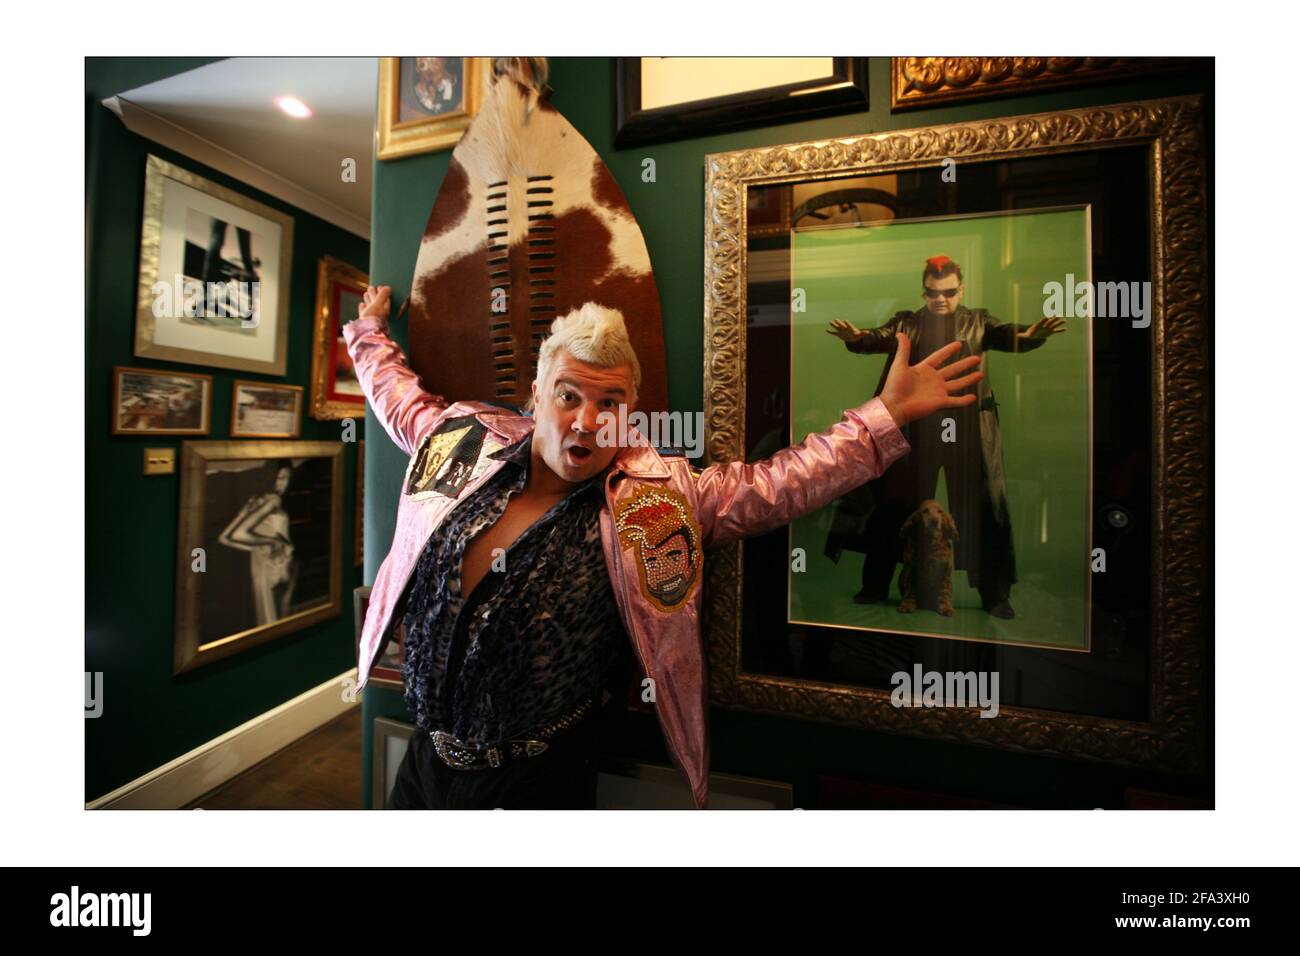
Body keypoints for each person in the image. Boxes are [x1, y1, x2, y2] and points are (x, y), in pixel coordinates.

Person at [350, 284, 982, 809]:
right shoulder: (457, 441)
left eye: (610, 402)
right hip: (423, 765)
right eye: (569, 394)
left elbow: (780, 482)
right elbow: (395, 394)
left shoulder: (655, 501)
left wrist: (886, 413)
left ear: (631, 413)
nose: (586, 420)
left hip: (541, 784)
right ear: (537, 395)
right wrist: (371, 328)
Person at [825, 255, 1066, 619]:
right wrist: (856, 338)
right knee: (894, 504)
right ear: (924, 292)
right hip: (915, 429)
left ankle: (994, 595)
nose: (942, 299)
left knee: (983, 508)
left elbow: (1006, 334)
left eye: (950, 292)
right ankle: (874, 586)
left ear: (961, 290)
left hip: (968, 429)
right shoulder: (908, 321)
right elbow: (878, 337)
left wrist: (1030, 335)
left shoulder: (978, 320)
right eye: (934, 293)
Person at [218, 461, 297, 626]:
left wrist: (256, 546)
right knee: (277, 619)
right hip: (274, 566)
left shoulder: (257, 500)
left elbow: (224, 538)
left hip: (266, 564)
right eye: (280, 477)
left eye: (286, 478)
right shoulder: (272, 501)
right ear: (270, 478)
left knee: (272, 618)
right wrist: (272, 541)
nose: (283, 483)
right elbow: (239, 534)